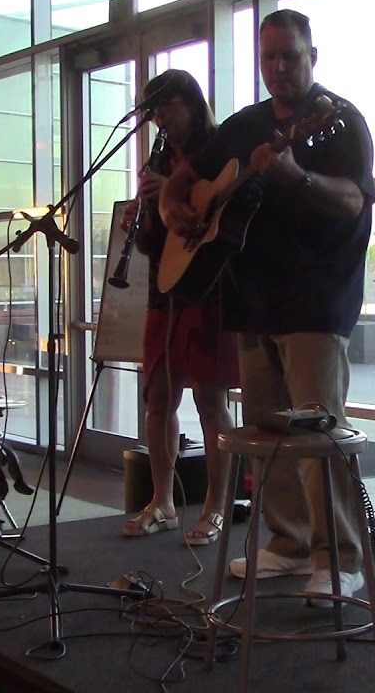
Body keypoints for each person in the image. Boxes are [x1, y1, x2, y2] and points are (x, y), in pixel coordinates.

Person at [160, 10, 375, 599]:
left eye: (291, 56)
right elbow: (184, 179)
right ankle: (288, 542)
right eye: (269, 57)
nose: (279, 67)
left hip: (315, 300)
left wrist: (295, 176)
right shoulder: (242, 125)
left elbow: (353, 202)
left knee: (317, 435)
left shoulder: (341, 123)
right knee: (268, 434)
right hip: (253, 299)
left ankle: (341, 558)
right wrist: (173, 206)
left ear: (313, 56)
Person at [120, 69, 239, 546]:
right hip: (163, 293)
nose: (161, 120)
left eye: (167, 107)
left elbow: (222, 219)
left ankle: (216, 506)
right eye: (154, 111)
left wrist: (173, 189)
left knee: (210, 400)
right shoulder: (160, 156)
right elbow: (153, 244)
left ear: (191, 103)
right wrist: (144, 214)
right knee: (158, 399)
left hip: (207, 288)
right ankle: (163, 501)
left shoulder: (218, 148)